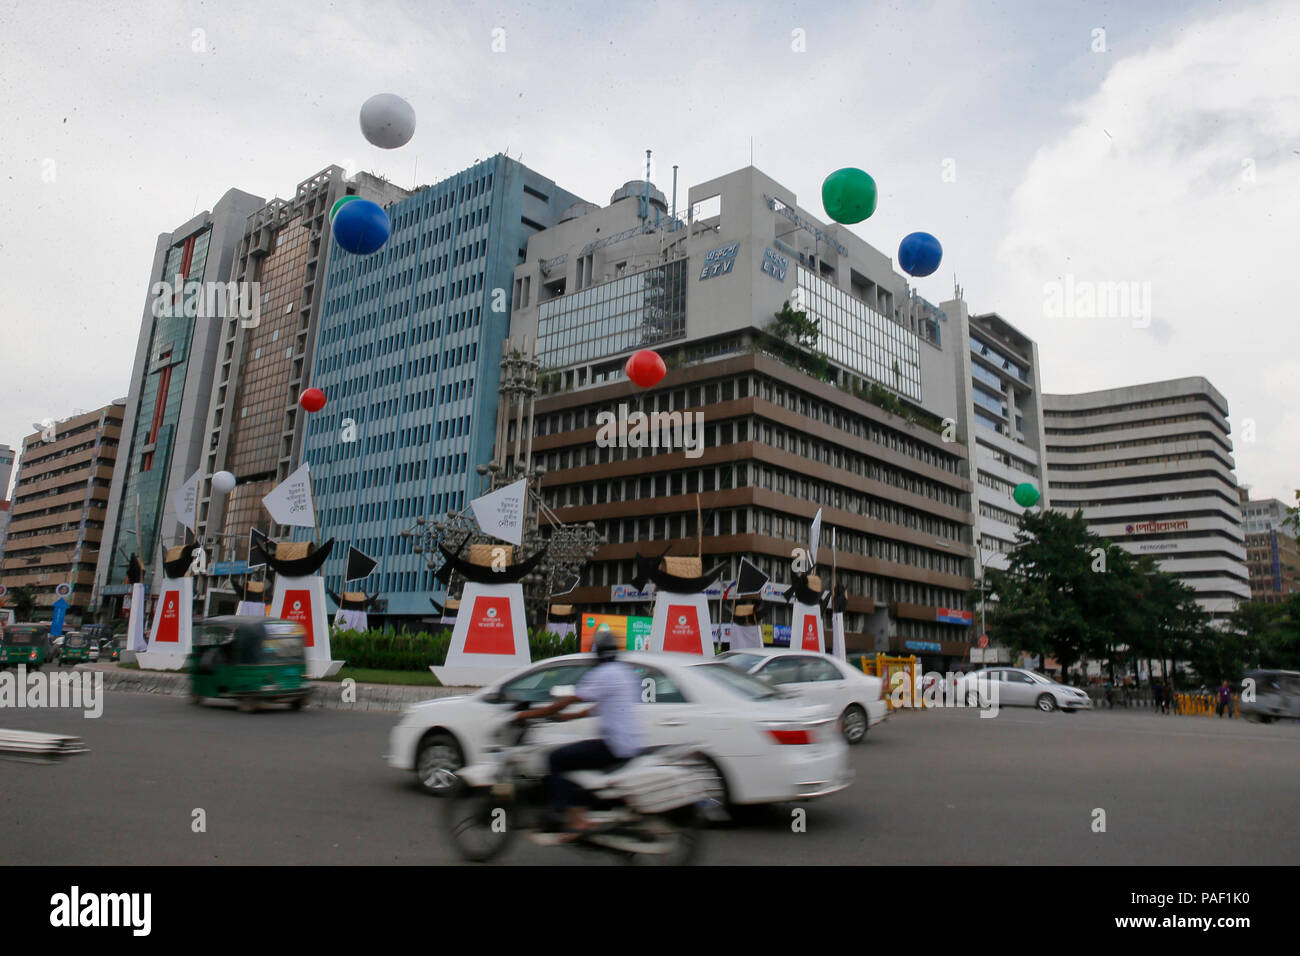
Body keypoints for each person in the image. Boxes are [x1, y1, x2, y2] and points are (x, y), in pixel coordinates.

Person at [514, 624, 646, 836]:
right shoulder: (625, 672)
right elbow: (600, 707)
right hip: (631, 743)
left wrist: (528, 715)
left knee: (555, 759)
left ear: (598, 653)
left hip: (612, 746)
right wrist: (567, 717)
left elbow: (567, 700)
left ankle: (576, 821)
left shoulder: (603, 673)